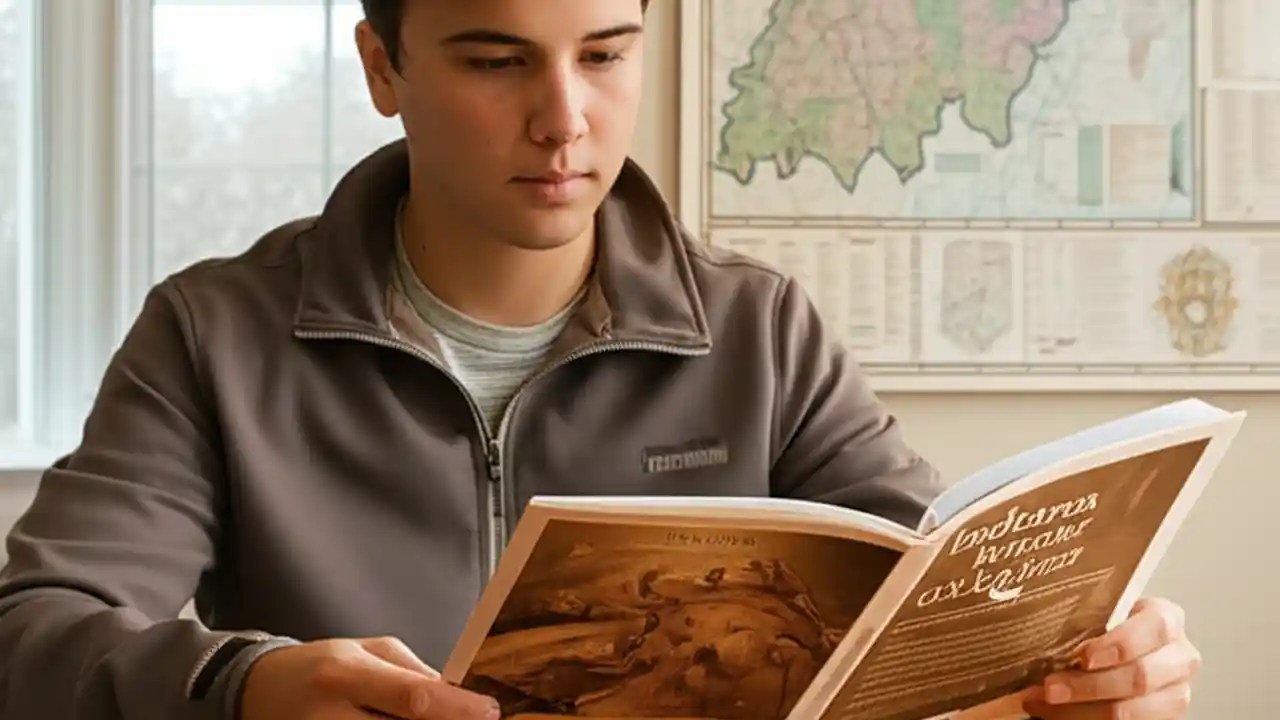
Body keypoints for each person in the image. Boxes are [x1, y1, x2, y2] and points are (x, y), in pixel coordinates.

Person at [0, 1, 1201, 719]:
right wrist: (242, 687)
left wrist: (1089, 668)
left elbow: (931, 601)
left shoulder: (760, 329)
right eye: (494, 59)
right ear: (382, 69)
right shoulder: (212, 335)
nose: (564, 118)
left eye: (606, 52)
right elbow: (33, 630)